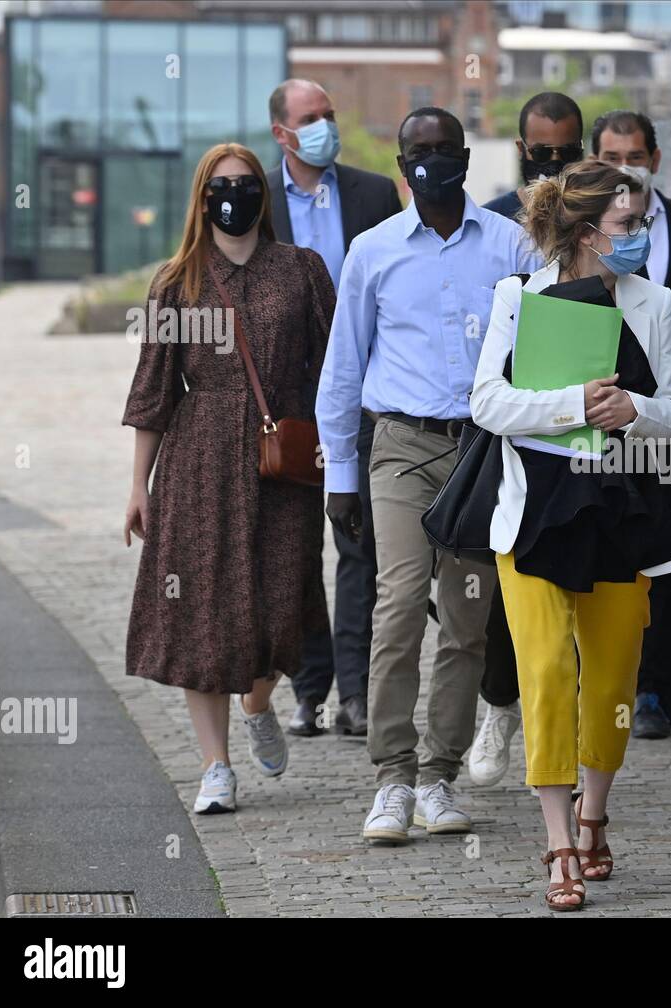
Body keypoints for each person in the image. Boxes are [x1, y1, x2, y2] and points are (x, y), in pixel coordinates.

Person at [316, 107, 540, 842]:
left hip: (482, 451)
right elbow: (343, 367)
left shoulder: (513, 245)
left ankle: (440, 776)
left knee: (468, 617)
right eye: (419, 150)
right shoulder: (372, 252)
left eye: (445, 149)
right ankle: (391, 778)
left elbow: (536, 353)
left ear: (467, 159)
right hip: (402, 448)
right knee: (400, 602)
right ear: (403, 162)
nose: (432, 160)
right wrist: (339, 474)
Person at [470, 160, 671, 910]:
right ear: (591, 232)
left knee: (613, 680)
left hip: (622, 516)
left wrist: (632, 409)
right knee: (549, 673)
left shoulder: (653, 302)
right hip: (532, 515)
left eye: (644, 222)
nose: (641, 236)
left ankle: (595, 815)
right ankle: (558, 841)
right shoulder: (517, 296)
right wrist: (572, 404)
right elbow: (487, 402)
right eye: (629, 225)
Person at [123, 142, 334, 815]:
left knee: (281, 605)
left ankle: (259, 700)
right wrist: (138, 486)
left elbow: (336, 371)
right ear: (202, 195)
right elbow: (154, 391)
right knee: (200, 613)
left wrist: (344, 454)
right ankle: (215, 767)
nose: (234, 194)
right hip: (199, 460)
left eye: (245, 183)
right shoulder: (176, 281)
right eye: (221, 184)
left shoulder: (300, 270)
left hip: (284, 457)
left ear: (262, 195)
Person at [266, 77, 402, 740]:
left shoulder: (373, 194)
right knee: (293, 551)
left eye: (329, 114)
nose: (325, 125)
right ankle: (307, 686)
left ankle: (355, 694)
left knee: (358, 546)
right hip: (289, 404)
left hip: (363, 400)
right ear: (281, 133)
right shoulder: (258, 200)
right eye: (310, 117)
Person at [467, 90, 584, 786]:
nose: (552, 164)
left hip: (596, 437)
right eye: (540, 153)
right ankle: (498, 706)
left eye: (564, 151)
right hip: (514, 432)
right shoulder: (499, 232)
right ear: (520, 151)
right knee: (501, 588)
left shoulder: (608, 219)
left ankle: (573, 732)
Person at [591, 108, 671, 738]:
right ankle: (602, 684)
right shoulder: (580, 232)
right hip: (592, 422)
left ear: (655, 160)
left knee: (663, 555)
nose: (625, 168)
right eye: (611, 157)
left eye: (635, 156)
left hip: (663, 421)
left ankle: (655, 689)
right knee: (603, 550)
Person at [483, 91, 584, 218]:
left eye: (568, 152)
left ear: (580, 148)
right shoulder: (490, 222)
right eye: (541, 152)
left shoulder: (602, 216)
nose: (555, 162)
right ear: (521, 149)